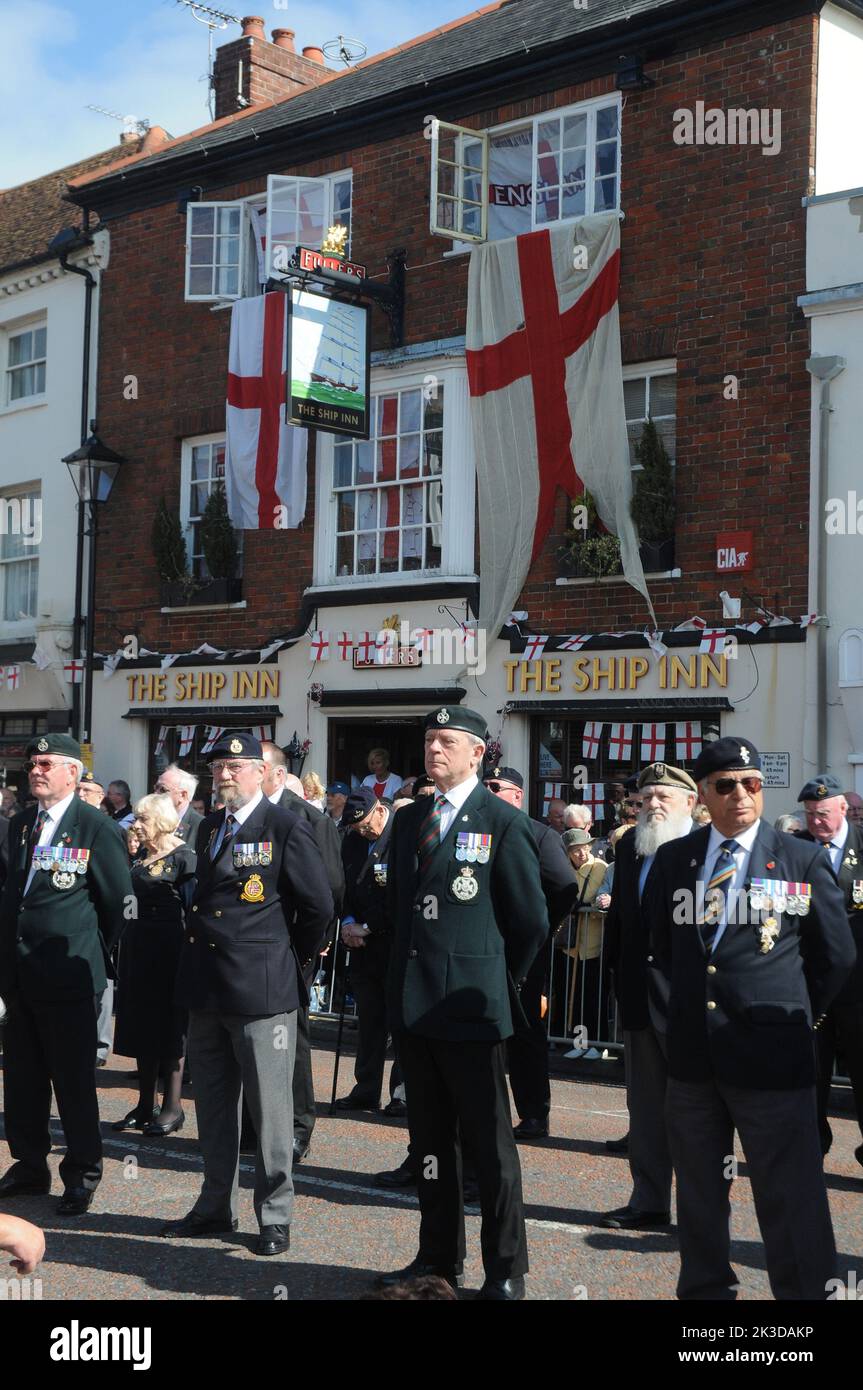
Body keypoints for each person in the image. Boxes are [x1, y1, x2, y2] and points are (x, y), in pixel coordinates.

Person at [646, 737, 854, 1301]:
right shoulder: (675, 860)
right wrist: (675, 1023)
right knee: (699, 1193)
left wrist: (790, 1017)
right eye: (726, 785)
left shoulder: (800, 858)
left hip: (773, 1057)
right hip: (694, 1060)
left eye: (753, 784)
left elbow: (834, 957)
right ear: (703, 796)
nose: (741, 795)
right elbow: (661, 951)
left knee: (791, 1194)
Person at [377, 706, 547, 1300]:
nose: (435, 751)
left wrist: (502, 983)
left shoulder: (501, 821)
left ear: (478, 752)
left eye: (448, 742)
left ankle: (505, 1270)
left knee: (490, 1146)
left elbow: (529, 920)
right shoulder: (410, 820)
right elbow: (400, 909)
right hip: (416, 1005)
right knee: (429, 1144)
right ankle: (437, 1260)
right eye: (428, 741)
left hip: (472, 1010)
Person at [161, 732, 333, 1257]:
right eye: (218, 767)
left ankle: (274, 1215)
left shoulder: (286, 825)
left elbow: (320, 908)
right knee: (214, 1105)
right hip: (208, 987)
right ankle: (215, 1204)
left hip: (262, 989)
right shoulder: (212, 825)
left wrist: (285, 962)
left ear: (262, 772)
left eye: (236, 766)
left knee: (271, 1110)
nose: (225, 774)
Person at [0, 735, 132, 1215]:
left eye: (46, 764)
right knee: (22, 1080)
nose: (35, 771)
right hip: (21, 974)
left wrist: (88, 952)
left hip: (70, 978)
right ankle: (30, 1164)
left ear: (72, 773)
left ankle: (81, 1172)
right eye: (32, 764)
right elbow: (12, 896)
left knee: (73, 1084)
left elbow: (118, 903)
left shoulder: (95, 826)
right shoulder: (20, 824)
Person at [600, 762, 697, 1231]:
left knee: (697, 1115)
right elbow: (620, 923)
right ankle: (649, 1200)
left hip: (690, 1008)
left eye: (664, 797)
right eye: (646, 798)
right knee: (645, 1111)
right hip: (639, 1000)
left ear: (690, 805)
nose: (652, 805)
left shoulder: (704, 854)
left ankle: (701, 1212)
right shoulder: (631, 853)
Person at [482, 767, 578, 1139]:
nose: (487, 791)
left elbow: (564, 888)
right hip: (481, 950)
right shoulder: (476, 831)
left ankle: (534, 1112)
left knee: (524, 1034)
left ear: (517, 795)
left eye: (496, 787)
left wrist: (539, 932)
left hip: (522, 954)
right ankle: (486, 1114)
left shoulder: (538, 834)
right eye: (484, 785)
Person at [261, 743, 344, 1162]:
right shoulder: (238, 817)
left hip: (294, 946)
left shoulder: (310, 817)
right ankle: (255, 1124)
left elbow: (329, 890)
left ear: (276, 772)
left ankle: (297, 1126)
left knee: (293, 1039)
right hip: (249, 950)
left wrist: (309, 948)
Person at [112, 794, 195, 1137]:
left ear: (160, 820)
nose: (136, 825)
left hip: (170, 951)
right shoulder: (142, 857)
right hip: (138, 950)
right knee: (142, 1025)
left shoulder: (184, 858)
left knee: (170, 1027)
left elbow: (193, 910)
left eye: (143, 819)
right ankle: (146, 1103)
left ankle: (173, 1106)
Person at [796, 774, 863, 1165]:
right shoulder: (794, 850)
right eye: (809, 814)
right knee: (810, 1078)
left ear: (844, 809)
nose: (815, 821)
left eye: (822, 813)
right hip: (811, 986)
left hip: (858, 987)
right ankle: (809, 1151)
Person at [335, 787, 404, 1115]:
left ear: (379, 810)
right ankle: (366, 1090)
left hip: (392, 944)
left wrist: (369, 927)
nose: (364, 832)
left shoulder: (401, 835)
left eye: (365, 825)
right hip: (361, 947)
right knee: (370, 1023)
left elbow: (399, 894)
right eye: (357, 828)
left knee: (401, 1024)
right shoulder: (352, 841)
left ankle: (402, 1093)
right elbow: (344, 885)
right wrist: (348, 923)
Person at [558, 829, 608, 1057]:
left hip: (593, 943)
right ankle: (579, 1044)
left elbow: (605, 901)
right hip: (570, 945)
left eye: (584, 847)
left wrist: (589, 906)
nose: (581, 853)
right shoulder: (564, 870)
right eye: (575, 850)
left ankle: (597, 1044)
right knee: (573, 995)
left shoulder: (601, 867)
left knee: (593, 996)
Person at [154, 764, 202, 846]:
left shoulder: (201, 826)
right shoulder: (151, 820)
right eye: (156, 788)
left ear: (183, 795)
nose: (155, 794)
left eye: (162, 789)